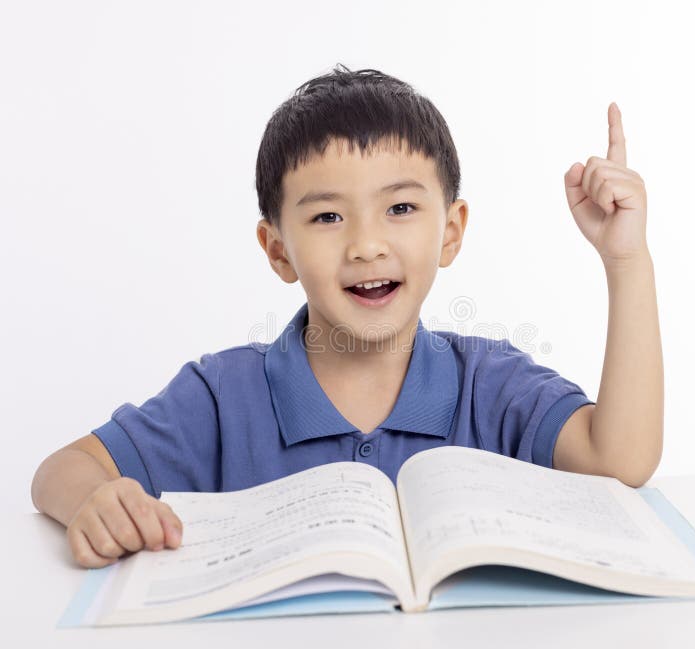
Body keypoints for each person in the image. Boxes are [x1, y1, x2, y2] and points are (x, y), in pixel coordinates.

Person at [31, 64, 663, 569]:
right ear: (278, 250)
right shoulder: (221, 396)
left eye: (401, 208)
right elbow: (59, 470)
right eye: (328, 216)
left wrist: (626, 260)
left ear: (451, 231)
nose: (366, 244)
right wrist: (96, 499)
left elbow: (622, 461)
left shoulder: (491, 384)